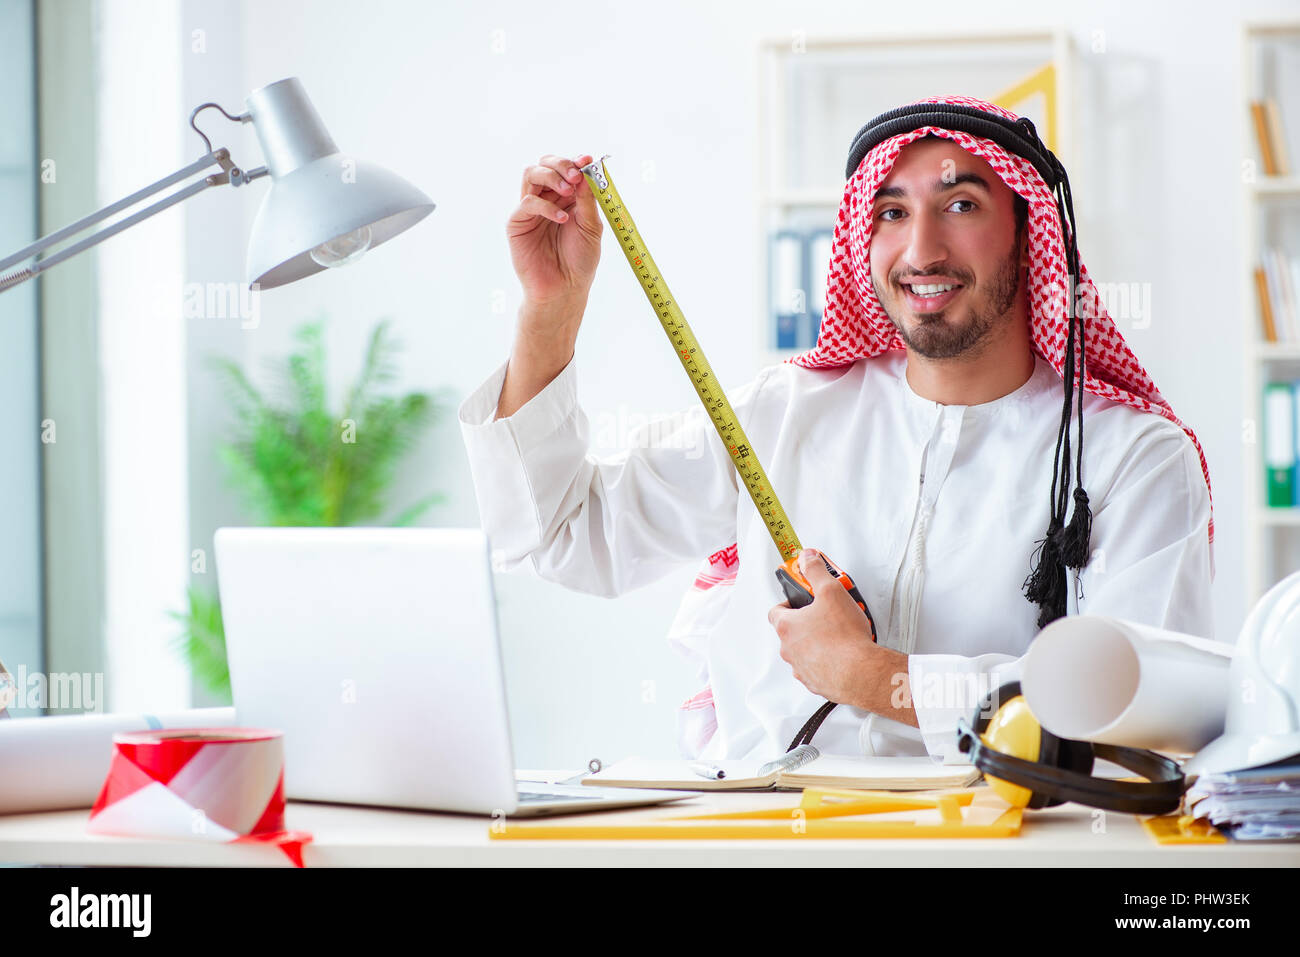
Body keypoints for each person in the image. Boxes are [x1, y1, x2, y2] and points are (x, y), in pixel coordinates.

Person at [459, 96, 1214, 763]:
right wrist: (551, 311)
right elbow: (558, 534)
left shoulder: (1135, 459)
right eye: (890, 212)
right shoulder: (779, 414)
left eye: (960, 205)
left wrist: (878, 679)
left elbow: (1136, 712)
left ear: (1028, 231)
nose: (920, 250)